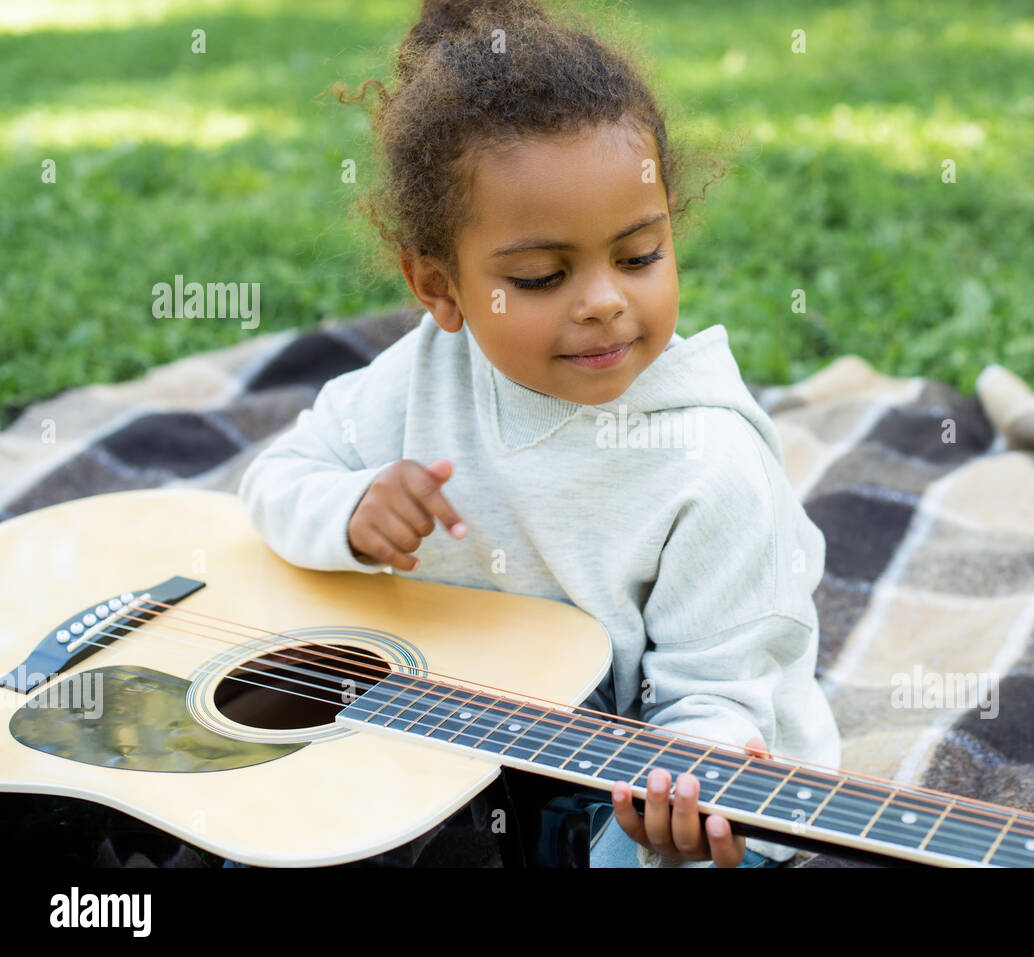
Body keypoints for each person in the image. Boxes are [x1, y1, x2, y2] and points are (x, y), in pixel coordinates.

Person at [237, 0, 841, 868]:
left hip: (611, 788)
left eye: (639, 256)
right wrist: (350, 507)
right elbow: (277, 477)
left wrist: (687, 795)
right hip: (449, 748)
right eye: (541, 275)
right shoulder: (424, 377)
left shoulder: (710, 463)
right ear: (437, 284)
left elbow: (721, 691)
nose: (603, 300)